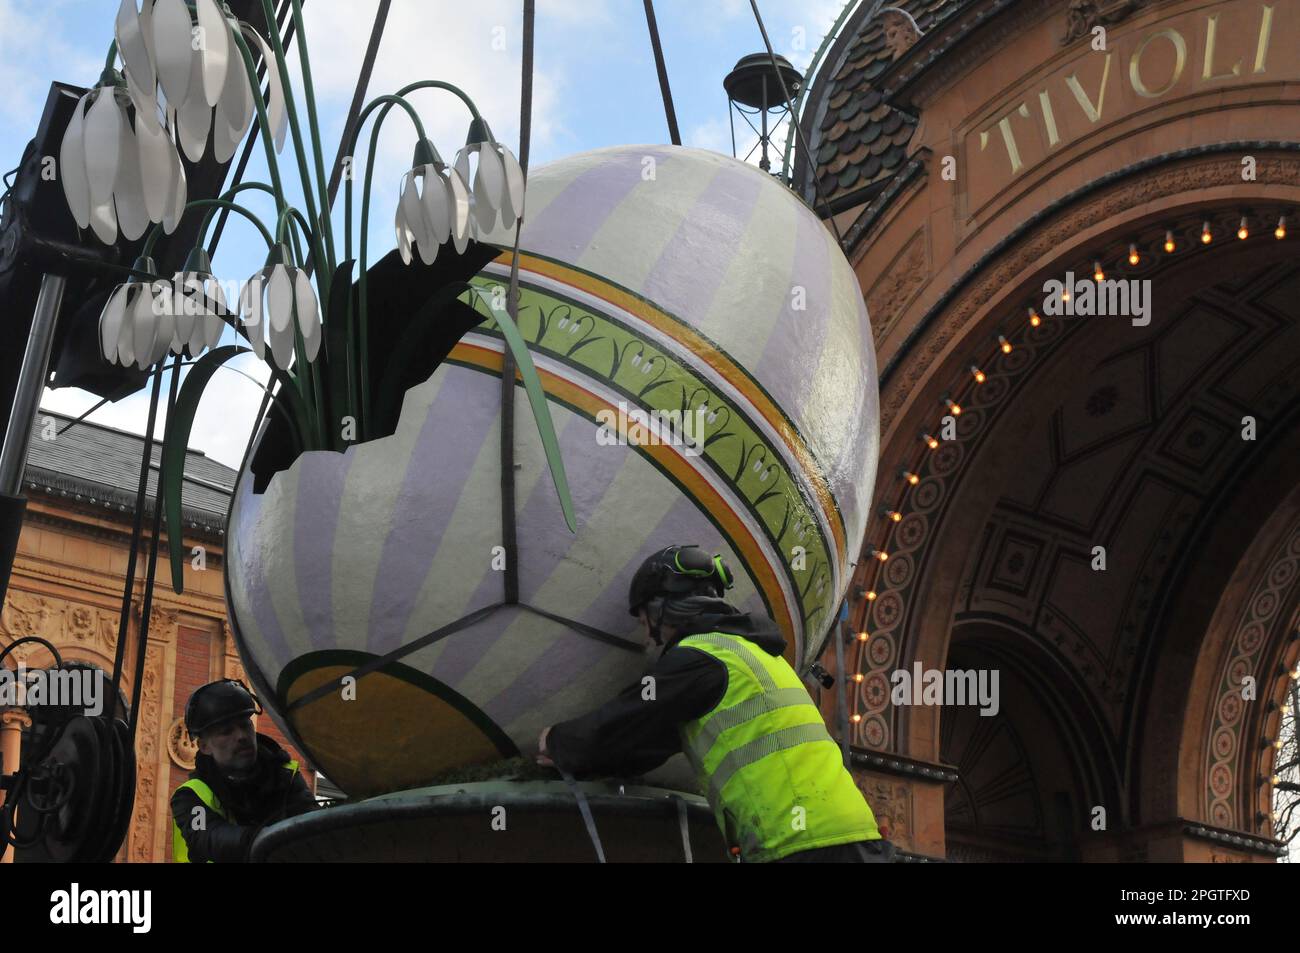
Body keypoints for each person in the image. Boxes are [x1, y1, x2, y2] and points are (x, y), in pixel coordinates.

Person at [538, 545, 894, 863]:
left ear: (664, 611)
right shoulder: (755, 656)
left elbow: (629, 720)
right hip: (854, 839)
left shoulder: (701, 657)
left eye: (645, 619)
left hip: (802, 846)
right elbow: (650, 740)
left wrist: (557, 742)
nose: (647, 635)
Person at [170, 679, 318, 863]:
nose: (241, 736)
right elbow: (209, 838)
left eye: (245, 725)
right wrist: (268, 841)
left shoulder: (287, 776)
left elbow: (314, 835)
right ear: (204, 746)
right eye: (226, 731)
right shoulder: (190, 797)